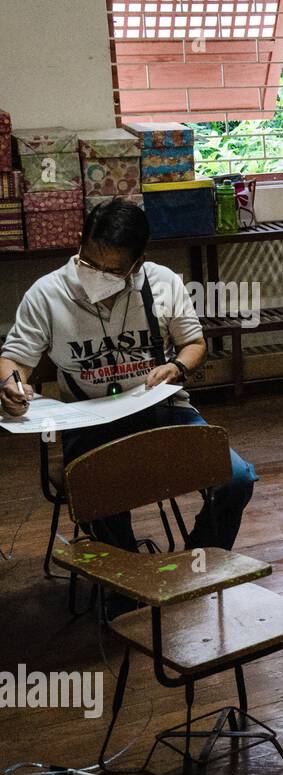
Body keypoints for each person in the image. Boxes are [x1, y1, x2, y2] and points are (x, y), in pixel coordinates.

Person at [0, 198, 255, 554]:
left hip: (164, 414)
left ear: (137, 263)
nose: (97, 274)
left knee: (237, 479)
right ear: (81, 242)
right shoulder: (47, 294)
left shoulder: (162, 283)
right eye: (89, 261)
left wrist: (177, 367)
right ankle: (127, 581)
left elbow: (194, 343)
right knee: (98, 488)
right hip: (89, 422)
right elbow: (14, 358)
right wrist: (11, 386)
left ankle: (200, 560)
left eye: (112, 270)